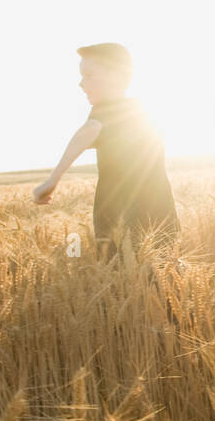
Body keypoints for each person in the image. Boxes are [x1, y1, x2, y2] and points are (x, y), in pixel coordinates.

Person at [33, 43, 180, 260]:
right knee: (163, 275)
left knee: (121, 278)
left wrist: (52, 180)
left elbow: (87, 132)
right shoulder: (142, 112)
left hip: (117, 218)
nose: (81, 83)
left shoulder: (104, 113)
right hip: (163, 213)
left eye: (89, 75)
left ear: (117, 76)